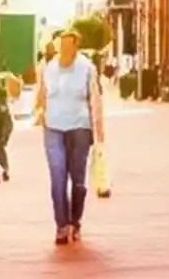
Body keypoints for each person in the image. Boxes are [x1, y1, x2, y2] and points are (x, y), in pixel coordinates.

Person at [34, 27, 105, 245]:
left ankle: (76, 220)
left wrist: (99, 130)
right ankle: (61, 226)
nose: (63, 48)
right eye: (60, 44)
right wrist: (40, 112)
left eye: (67, 44)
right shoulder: (47, 67)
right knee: (57, 177)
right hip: (53, 127)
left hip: (80, 128)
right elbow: (42, 94)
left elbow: (95, 98)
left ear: (76, 46)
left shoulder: (87, 68)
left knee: (78, 181)